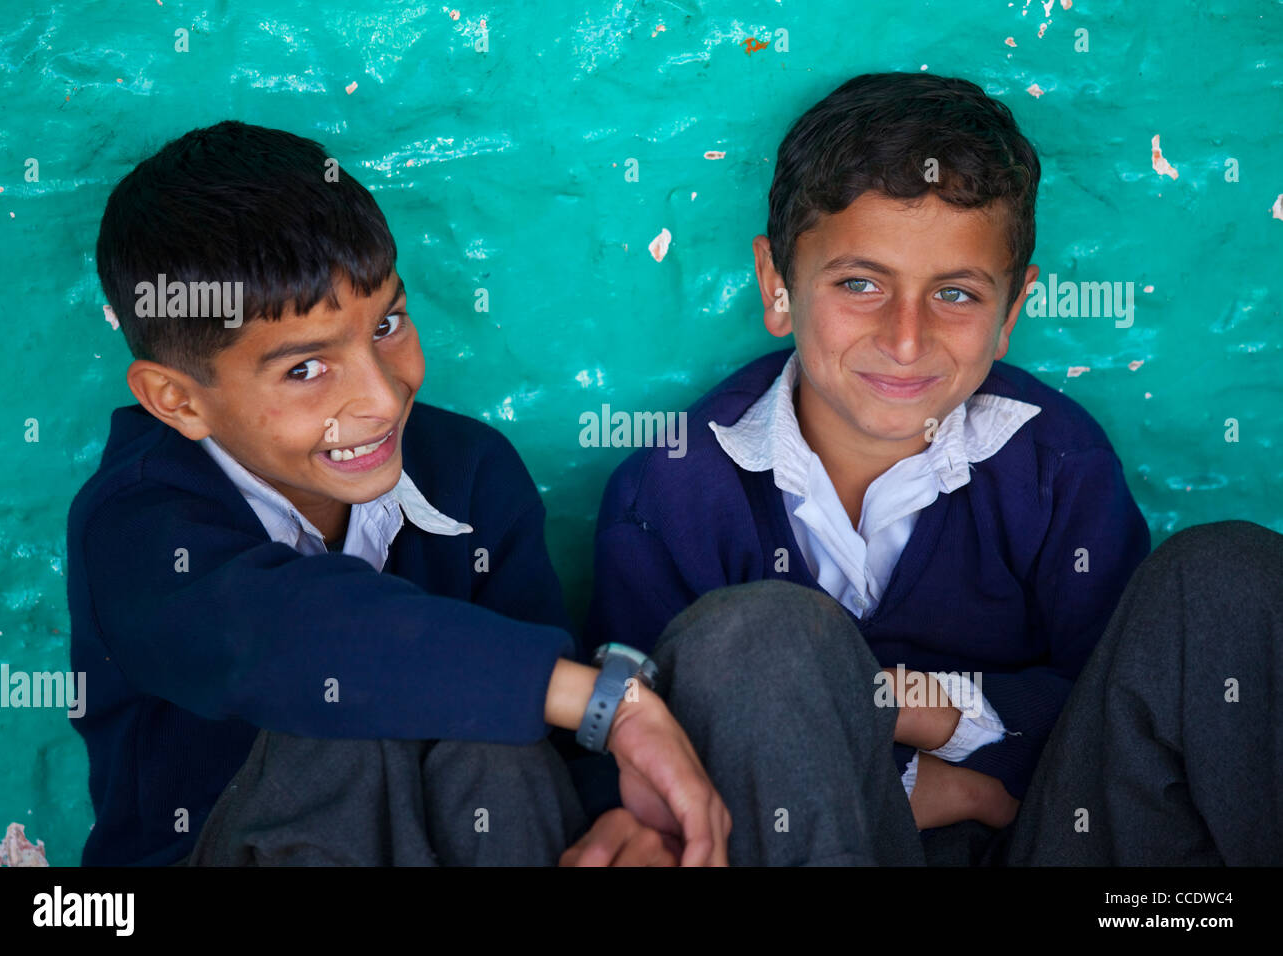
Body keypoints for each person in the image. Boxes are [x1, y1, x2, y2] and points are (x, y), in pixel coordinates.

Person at [582, 72, 1281, 865]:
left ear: (1013, 312)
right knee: (757, 635)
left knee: (1229, 577)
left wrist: (900, 706)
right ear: (778, 285)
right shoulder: (669, 491)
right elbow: (641, 756)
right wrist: (910, 783)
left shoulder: (1058, 466)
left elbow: (1118, 712)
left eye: (954, 293)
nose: (906, 339)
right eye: (859, 283)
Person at [67, 120, 728, 867]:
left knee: (495, 748)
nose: (381, 399)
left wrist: (617, 817)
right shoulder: (137, 527)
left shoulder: (471, 472)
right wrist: (611, 704)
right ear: (177, 401)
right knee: (348, 716)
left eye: (386, 323)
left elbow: (544, 740)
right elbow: (293, 638)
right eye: (304, 370)